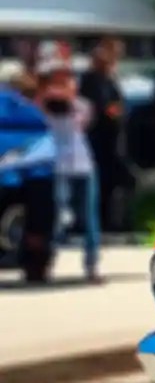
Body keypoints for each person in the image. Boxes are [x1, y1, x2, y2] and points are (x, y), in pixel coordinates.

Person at [37, 56, 102, 283]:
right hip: (58, 165)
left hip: (83, 165)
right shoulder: (44, 105)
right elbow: (40, 111)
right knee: (58, 216)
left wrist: (68, 96)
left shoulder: (81, 104)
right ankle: (46, 262)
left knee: (89, 218)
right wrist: (48, 94)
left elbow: (82, 118)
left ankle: (91, 264)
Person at [78, 39, 125, 231]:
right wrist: (112, 111)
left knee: (110, 183)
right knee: (97, 182)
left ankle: (107, 221)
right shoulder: (90, 80)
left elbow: (117, 103)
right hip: (96, 138)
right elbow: (101, 106)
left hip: (111, 140)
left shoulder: (109, 80)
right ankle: (94, 221)